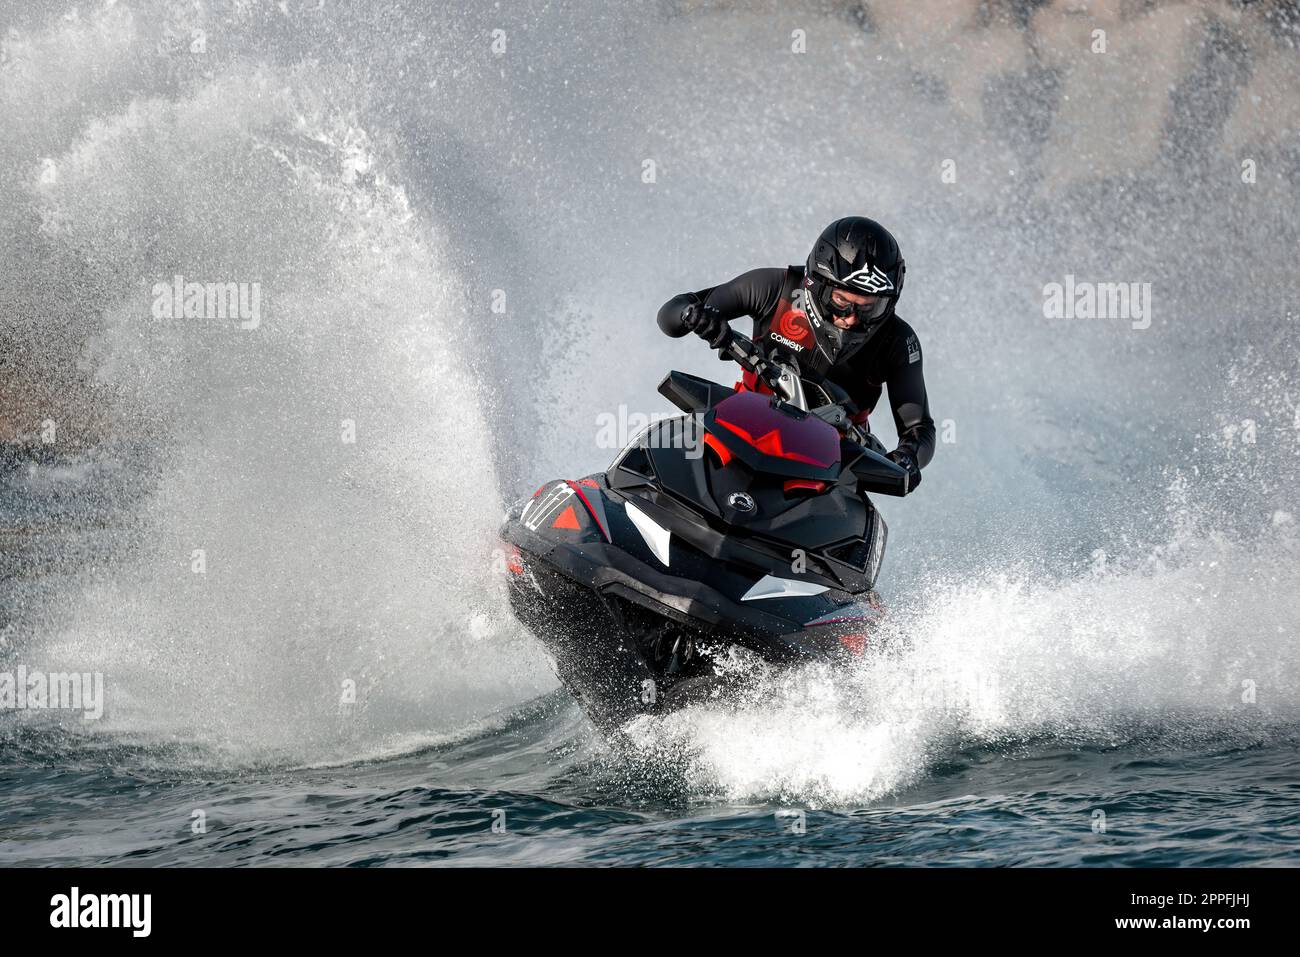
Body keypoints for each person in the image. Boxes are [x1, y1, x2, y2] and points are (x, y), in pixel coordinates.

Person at [656, 216, 934, 490]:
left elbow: (918, 429)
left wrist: (907, 458)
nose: (850, 319)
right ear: (817, 283)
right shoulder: (773, 288)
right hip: (739, 432)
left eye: (868, 308)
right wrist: (693, 315)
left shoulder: (899, 341)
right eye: (841, 301)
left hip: (831, 470)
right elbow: (670, 317)